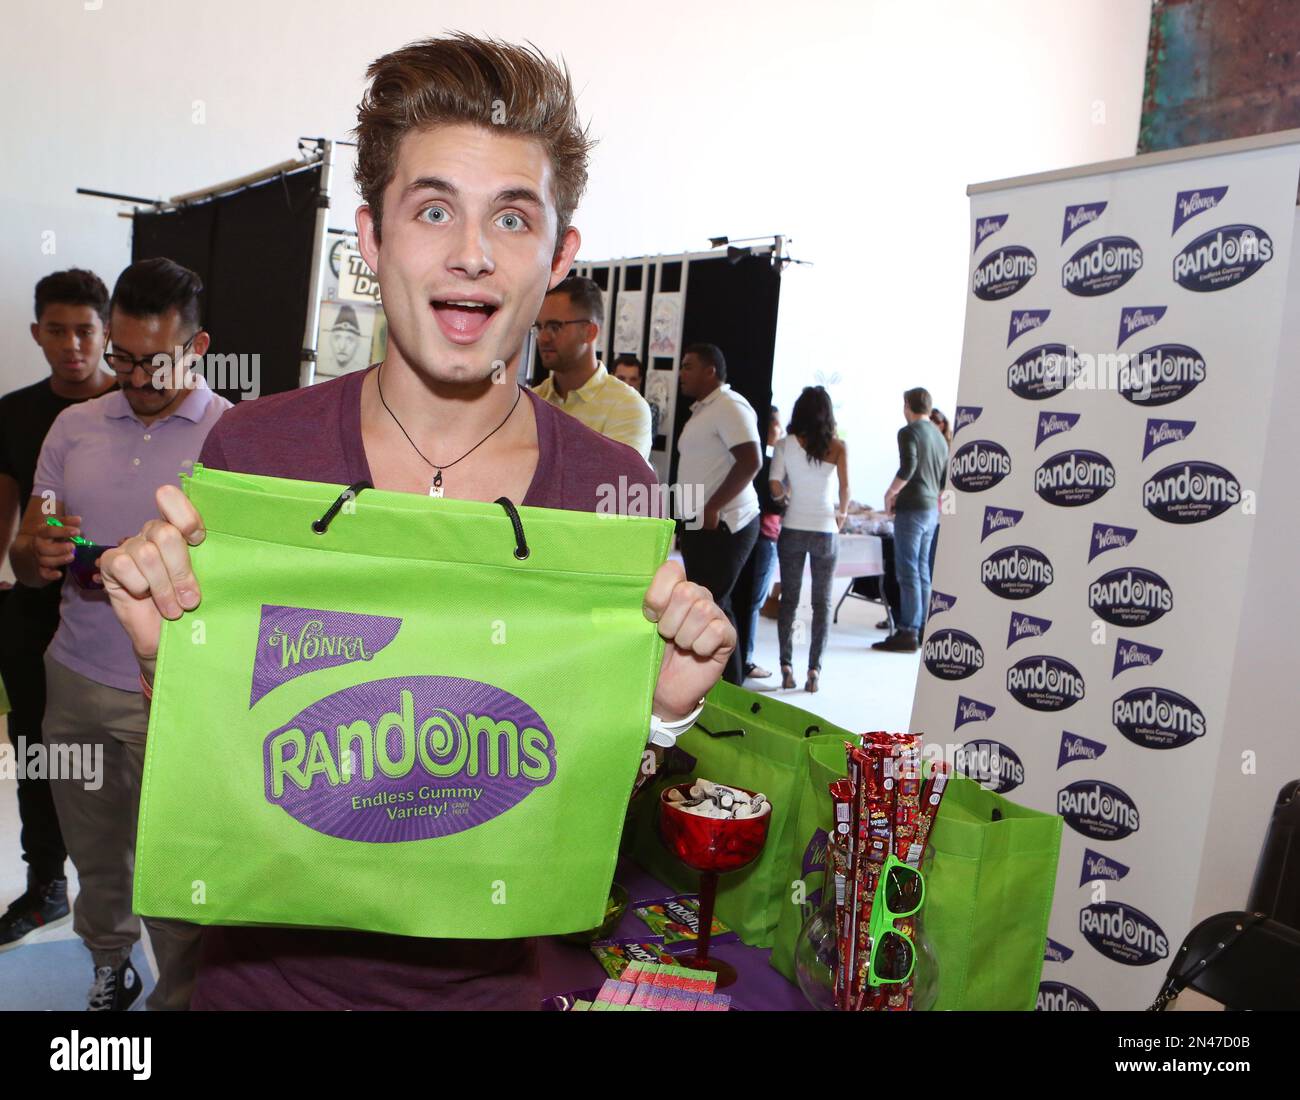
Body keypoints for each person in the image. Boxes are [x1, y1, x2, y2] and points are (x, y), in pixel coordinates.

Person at [97, 33, 735, 1011]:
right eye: (433, 209)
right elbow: (229, 773)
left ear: (558, 255)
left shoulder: (610, 492)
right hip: (257, 989)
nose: (472, 254)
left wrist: (658, 711)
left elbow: (570, 817)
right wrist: (162, 657)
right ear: (372, 239)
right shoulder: (254, 457)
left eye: (512, 218)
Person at [9, 258, 230, 1010]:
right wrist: (34, 555)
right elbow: (28, 550)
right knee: (95, 849)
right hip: (74, 676)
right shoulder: (72, 427)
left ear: (198, 347)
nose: (135, 377)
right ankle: (110, 960)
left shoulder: (234, 439)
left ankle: (185, 992)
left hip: (176, 689)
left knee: (175, 858)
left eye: (156, 361)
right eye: (123, 358)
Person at [0, 270, 118, 952]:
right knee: (39, 757)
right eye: (57, 329)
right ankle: (46, 884)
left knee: (116, 770)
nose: (72, 344)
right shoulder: (15, 412)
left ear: (106, 334)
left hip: (118, 621)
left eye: (86, 330)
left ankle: (123, 900)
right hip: (36, 612)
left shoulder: (138, 406)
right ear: (36, 333)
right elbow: (10, 517)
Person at [674, 343, 761, 686]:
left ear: (711, 370)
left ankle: (731, 688)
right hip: (702, 524)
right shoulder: (703, 410)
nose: (682, 373)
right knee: (710, 605)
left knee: (714, 607)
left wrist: (711, 506)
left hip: (727, 523)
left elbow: (751, 461)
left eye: (688, 366)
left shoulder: (729, 405)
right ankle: (715, 689)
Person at [770, 388, 849, 692]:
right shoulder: (838, 447)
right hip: (825, 529)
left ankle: (786, 666)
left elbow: (774, 482)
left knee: (789, 600)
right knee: (822, 603)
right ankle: (814, 670)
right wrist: (841, 515)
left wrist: (785, 499)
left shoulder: (784, 444)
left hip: (793, 528)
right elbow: (846, 489)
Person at [532, 276, 652, 458]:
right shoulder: (532, 401)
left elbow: (611, 483)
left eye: (554, 327)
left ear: (590, 332)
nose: (543, 337)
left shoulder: (627, 407)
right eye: (540, 327)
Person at [874, 387, 948, 653]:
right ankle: (924, 627)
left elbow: (908, 466)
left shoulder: (908, 432)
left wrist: (891, 492)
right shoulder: (940, 437)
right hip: (931, 511)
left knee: (907, 570)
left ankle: (908, 631)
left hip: (912, 508)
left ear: (907, 405)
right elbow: (943, 479)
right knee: (922, 569)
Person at [733, 405, 783, 681]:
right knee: (754, 602)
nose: (781, 430)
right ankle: (747, 659)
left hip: (760, 534)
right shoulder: (768, 463)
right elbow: (775, 504)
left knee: (753, 601)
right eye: (777, 425)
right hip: (764, 535)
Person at [613, 353, 659, 441]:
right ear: (611, 377)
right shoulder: (600, 404)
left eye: (633, 379)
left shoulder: (650, 409)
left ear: (640, 381)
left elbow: (638, 443)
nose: (627, 384)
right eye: (621, 378)